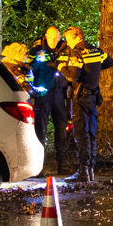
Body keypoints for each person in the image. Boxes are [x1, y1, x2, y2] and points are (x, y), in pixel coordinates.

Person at [59, 26, 112, 181]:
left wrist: (62, 67)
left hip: (81, 98)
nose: (67, 42)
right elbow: (109, 62)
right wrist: (93, 71)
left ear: (77, 37)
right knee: (91, 134)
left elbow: (74, 76)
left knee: (81, 134)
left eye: (68, 38)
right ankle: (91, 170)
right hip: (93, 97)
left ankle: (83, 171)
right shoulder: (95, 51)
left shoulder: (77, 52)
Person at [27, 26, 70, 173]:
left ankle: (62, 163)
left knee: (62, 129)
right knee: (40, 130)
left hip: (59, 93)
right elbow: (29, 68)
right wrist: (38, 60)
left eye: (55, 37)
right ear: (46, 36)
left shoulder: (64, 49)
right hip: (43, 95)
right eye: (50, 37)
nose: (53, 40)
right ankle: (39, 167)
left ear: (59, 37)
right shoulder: (37, 49)